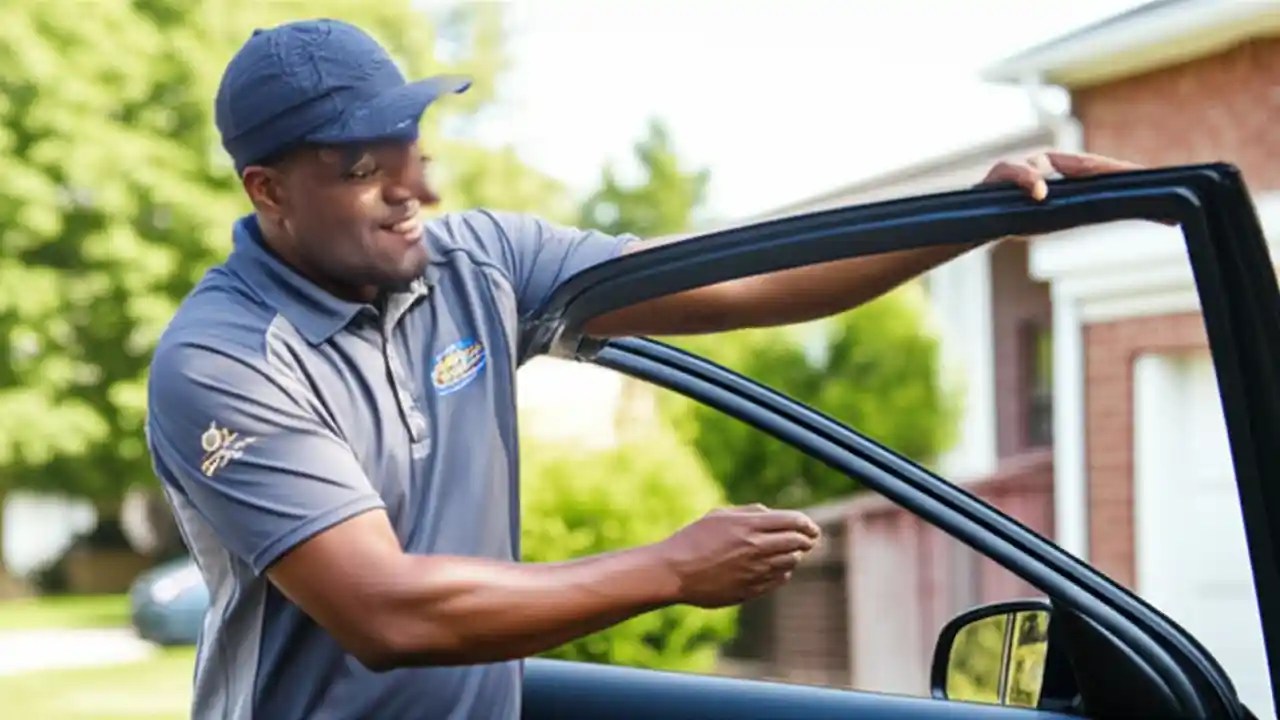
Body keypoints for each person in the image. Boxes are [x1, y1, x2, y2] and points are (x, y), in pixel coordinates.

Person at [144, 17, 1144, 720]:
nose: (418, 187)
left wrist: (965, 218)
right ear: (266, 189)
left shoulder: (478, 263)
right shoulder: (225, 361)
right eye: (361, 168)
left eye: (407, 146)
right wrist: (670, 571)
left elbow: (746, 283)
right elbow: (386, 611)